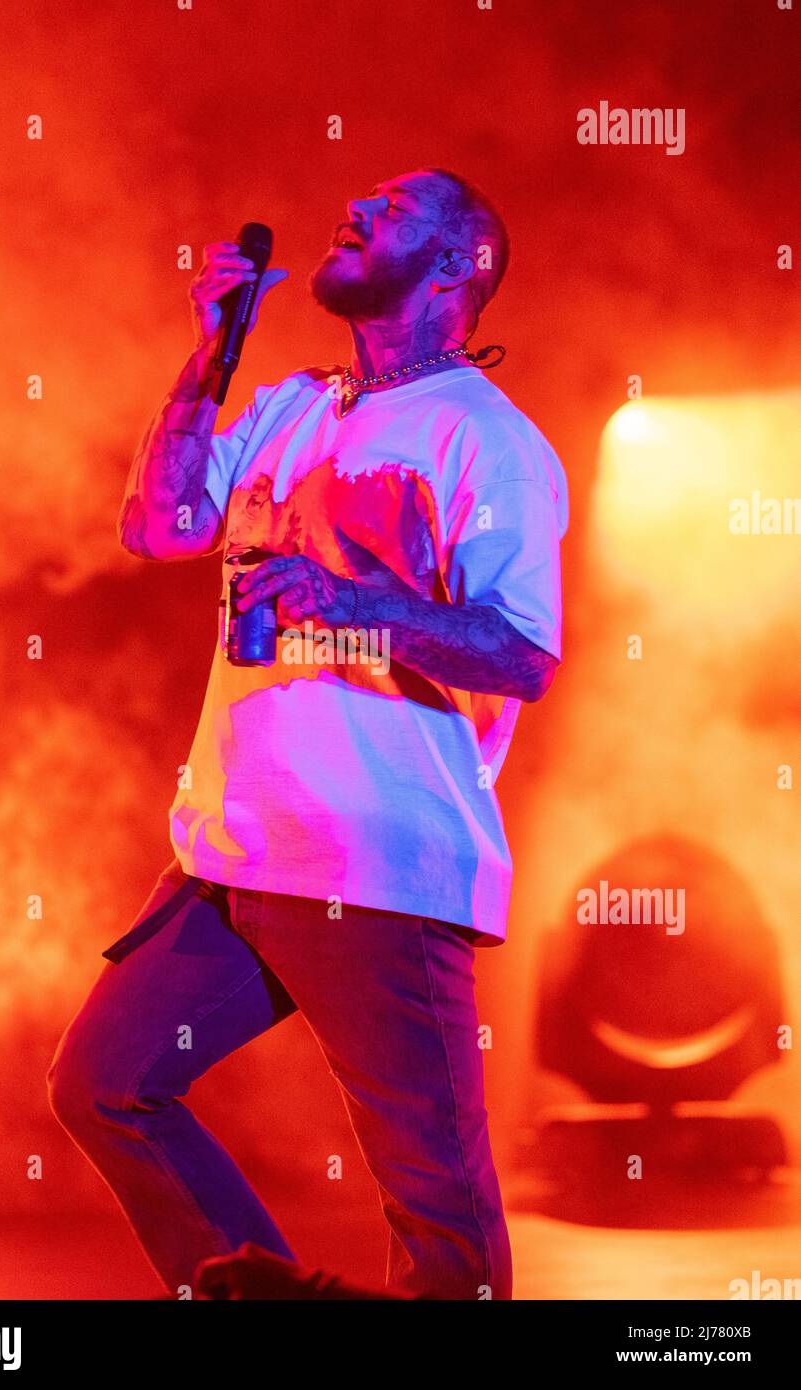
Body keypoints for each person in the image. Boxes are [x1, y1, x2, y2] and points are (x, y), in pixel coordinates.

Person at [47, 168, 568, 1301]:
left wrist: (355, 602)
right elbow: (161, 523)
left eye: (397, 209)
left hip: (376, 857)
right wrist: (209, 360)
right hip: (232, 849)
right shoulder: (290, 405)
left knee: (439, 1219)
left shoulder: (489, 442)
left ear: (455, 267)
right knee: (105, 1082)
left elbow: (523, 654)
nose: (361, 209)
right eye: (363, 199)